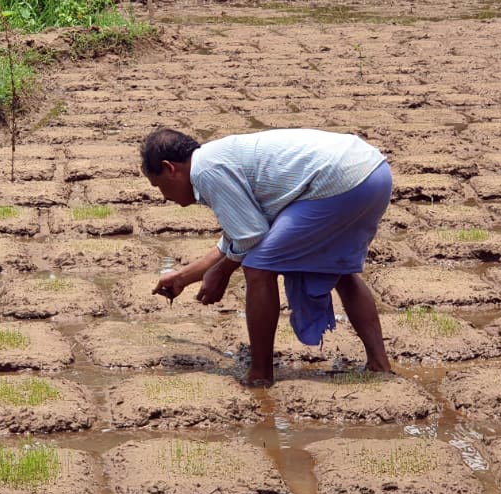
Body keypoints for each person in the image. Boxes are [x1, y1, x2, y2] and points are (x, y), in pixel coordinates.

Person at [144, 127, 395, 387]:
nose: (164, 196)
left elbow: (250, 236)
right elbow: (238, 234)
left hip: (339, 181)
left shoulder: (204, 171)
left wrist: (224, 271)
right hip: (373, 172)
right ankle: (379, 364)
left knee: (257, 267)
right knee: (338, 270)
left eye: (159, 185)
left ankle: (260, 373)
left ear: (170, 168)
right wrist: (184, 277)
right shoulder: (214, 158)